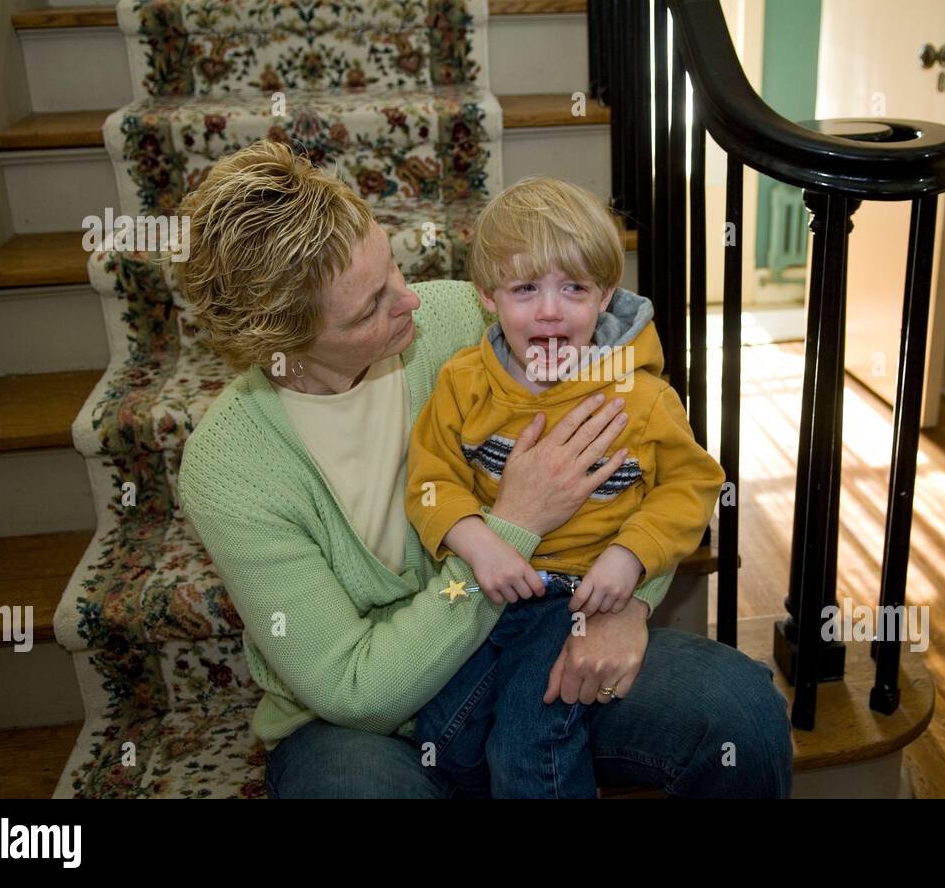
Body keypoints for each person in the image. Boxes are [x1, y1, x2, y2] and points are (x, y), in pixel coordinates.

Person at [174, 139, 793, 798]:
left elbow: (649, 457)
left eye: (394, 270)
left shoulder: (459, 318)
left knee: (742, 710)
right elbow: (353, 688)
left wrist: (628, 598)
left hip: (537, 635)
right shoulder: (230, 469)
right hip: (367, 727)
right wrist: (512, 526)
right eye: (371, 306)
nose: (409, 299)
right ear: (287, 342)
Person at [407, 176, 727, 798]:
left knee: (531, 744)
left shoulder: (641, 398)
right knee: (444, 744)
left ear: (605, 296)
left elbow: (691, 484)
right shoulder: (463, 384)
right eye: (525, 289)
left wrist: (630, 557)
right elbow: (429, 480)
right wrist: (478, 541)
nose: (550, 311)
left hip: (577, 603)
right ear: (487, 297)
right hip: (483, 590)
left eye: (573, 288)